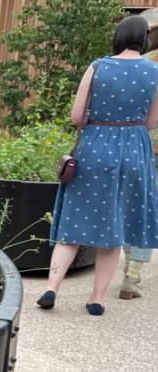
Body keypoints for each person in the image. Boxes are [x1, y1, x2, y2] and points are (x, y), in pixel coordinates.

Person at [38, 15, 158, 315]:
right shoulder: (155, 71)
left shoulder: (97, 66)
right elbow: (152, 122)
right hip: (134, 150)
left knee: (73, 223)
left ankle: (52, 288)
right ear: (144, 39)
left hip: (95, 147)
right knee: (114, 228)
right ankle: (97, 299)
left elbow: (77, 116)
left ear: (118, 36)